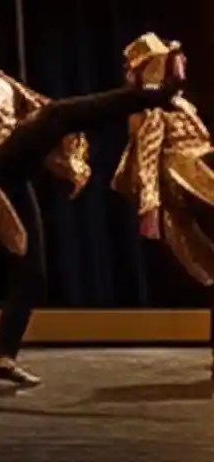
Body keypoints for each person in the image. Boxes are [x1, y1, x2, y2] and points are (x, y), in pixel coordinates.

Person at [0, 11, 182, 386]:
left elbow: (41, 107)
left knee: (33, 272)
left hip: (16, 170)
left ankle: (3, 357)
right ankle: (151, 96)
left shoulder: (1, 80)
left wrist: (69, 151)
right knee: (57, 113)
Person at [111, 32, 214, 375]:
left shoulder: (179, 103)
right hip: (190, 186)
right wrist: (149, 206)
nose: (182, 61)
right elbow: (148, 154)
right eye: (175, 57)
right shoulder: (153, 106)